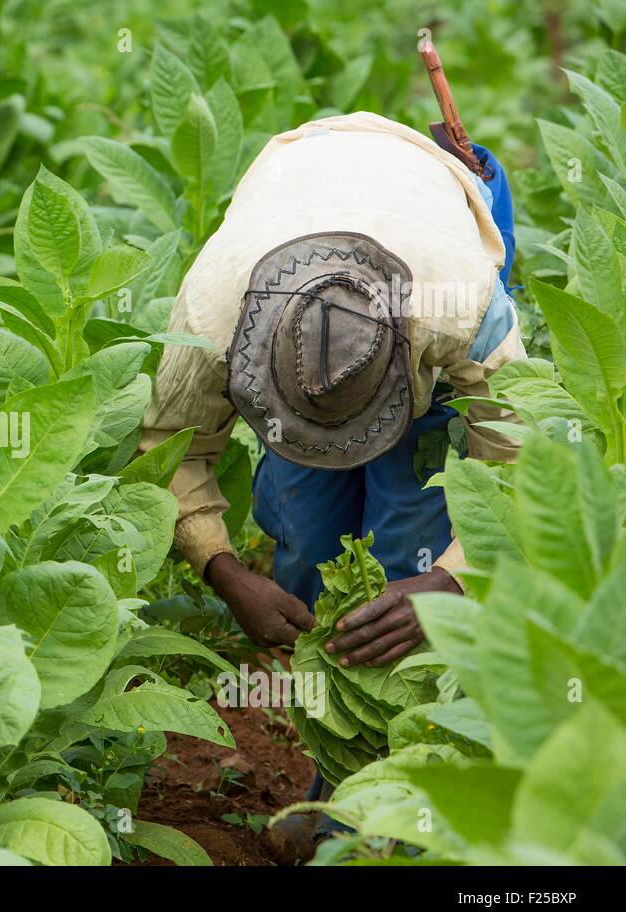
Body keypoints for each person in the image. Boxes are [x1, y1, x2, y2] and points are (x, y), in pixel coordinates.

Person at [141, 111, 520, 766]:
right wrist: (223, 571)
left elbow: (519, 465)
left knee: (409, 549)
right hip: (303, 169)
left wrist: (454, 581)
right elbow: (170, 446)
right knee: (306, 538)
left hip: (424, 210)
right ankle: (331, 751)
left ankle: (384, 780)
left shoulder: (463, 308)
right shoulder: (215, 312)